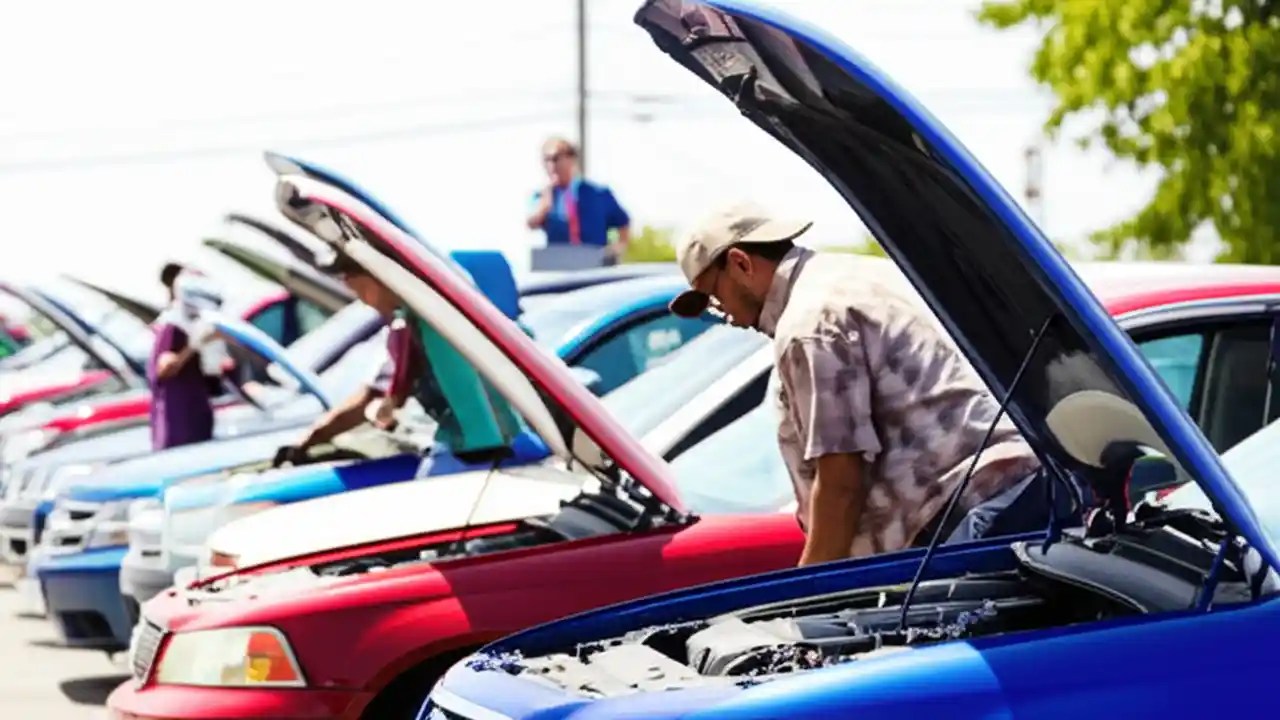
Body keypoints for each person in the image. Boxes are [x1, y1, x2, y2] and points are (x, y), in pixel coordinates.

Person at [667, 202, 1073, 567]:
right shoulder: (857, 275)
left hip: (977, 515)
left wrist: (807, 591)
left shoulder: (810, 324)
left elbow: (841, 479)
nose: (725, 316)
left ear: (740, 264)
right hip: (1023, 495)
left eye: (713, 297)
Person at [278, 250, 426, 465]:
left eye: (355, 285)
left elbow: (373, 397)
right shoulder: (403, 327)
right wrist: (310, 439)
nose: (363, 301)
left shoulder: (415, 329)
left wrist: (309, 440)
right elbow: (375, 392)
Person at [147, 265, 226, 451]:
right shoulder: (174, 328)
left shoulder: (188, 325)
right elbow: (165, 368)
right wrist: (192, 346)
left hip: (193, 417)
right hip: (180, 424)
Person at [526, 137, 631, 269]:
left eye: (556, 158)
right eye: (546, 160)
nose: (551, 165)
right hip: (559, 267)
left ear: (571, 159)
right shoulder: (541, 196)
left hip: (594, 266)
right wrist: (545, 204)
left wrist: (616, 248)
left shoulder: (598, 194)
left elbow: (623, 223)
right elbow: (531, 223)